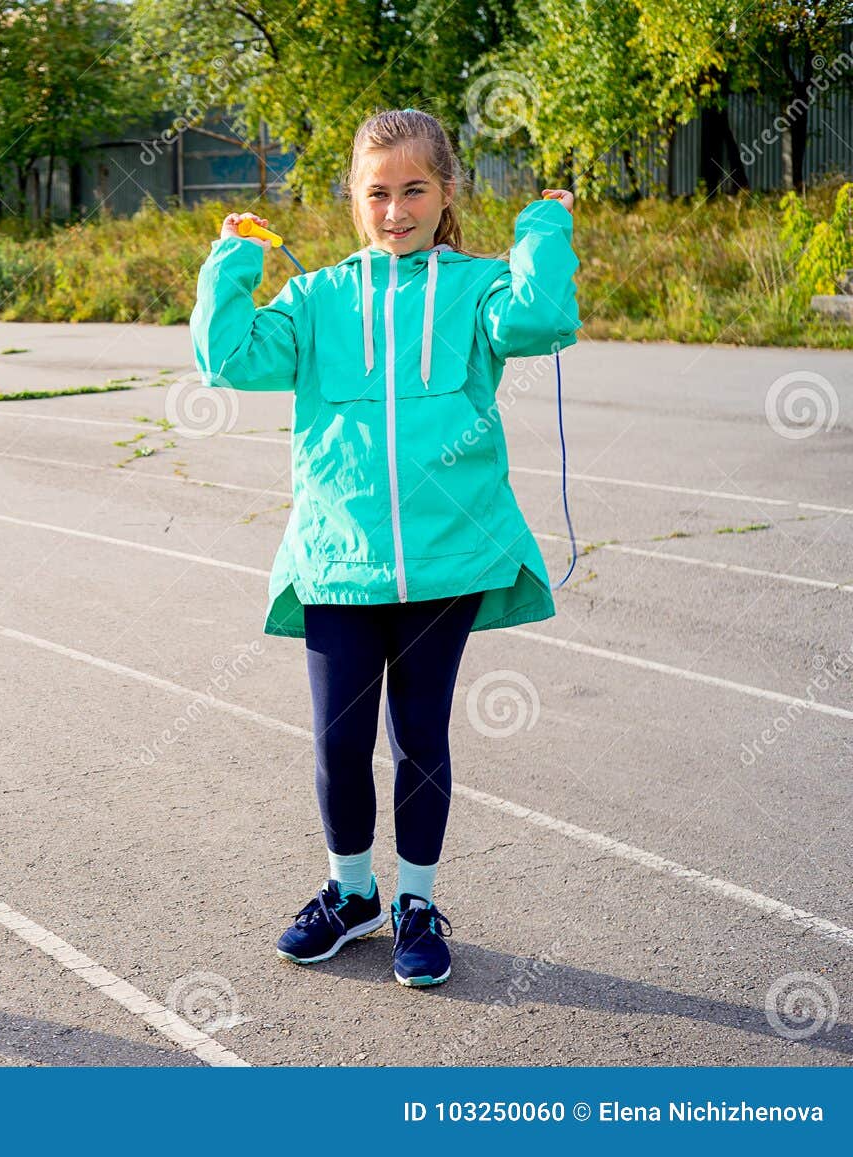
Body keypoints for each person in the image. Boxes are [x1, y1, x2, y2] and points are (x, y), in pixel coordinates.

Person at [190, 108, 579, 987]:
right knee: (337, 738)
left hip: (445, 561)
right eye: (377, 193)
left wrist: (545, 227)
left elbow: (546, 318)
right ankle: (350, 891)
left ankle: (416, 901)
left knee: (419, 737)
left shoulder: (480, 288)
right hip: (337, 559)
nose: (395, 209)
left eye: (413, 190)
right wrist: (233, 257)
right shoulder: (318, 297)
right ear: (354, 200)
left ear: (446, 194)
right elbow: (227, 356)